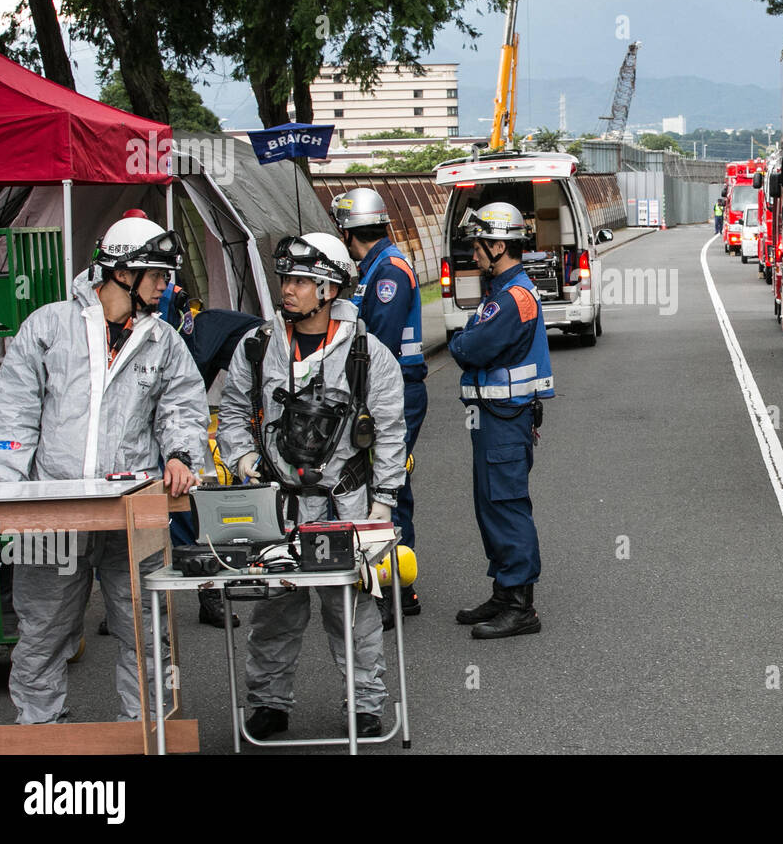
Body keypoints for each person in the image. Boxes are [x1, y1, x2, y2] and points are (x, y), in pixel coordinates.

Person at [0, 216, 207, 724]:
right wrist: (14, 495)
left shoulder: (164, 340)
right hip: (54, 513)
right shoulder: (49, 326)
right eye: (155, 273)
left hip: (134, 513)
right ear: (120, 271)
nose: (164, 284)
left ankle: (149, 731)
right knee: (44, 630)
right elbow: (15, 412)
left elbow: (184, 408)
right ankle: (39, 733)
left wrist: (180, 455)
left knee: (148, 629)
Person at [216, 232, 406, 740]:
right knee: (275, 609)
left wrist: (384, 503)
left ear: (328, 290)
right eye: (285, 279)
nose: (288, 289)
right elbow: (233, 411)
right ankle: (269, 704)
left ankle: (365, 706)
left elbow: (389, 431)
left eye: (300, 280)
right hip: (276, 503)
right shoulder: (257, 348)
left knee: (351, 609)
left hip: (344, 502)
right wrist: (244, 460)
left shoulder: (367, 355)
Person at [448, 202, 553, 639]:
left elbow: (468, 350)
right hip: (497, 418)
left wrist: (461, 341)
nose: (474, 254)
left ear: (497, 245)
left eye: (478, 245)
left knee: (506, 505)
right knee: (491, 502)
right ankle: (503, 589)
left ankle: (520, 606)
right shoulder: (505, 292)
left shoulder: (512, 299)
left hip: (503, 419)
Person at [329, 189, 427, 627]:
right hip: (387, 391)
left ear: (350, 231)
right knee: (380, 485)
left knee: (388, 486)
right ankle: (391, 582)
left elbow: (378, 349)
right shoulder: (376, 269)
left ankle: (396, 588)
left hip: (394, 392)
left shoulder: (388, 272)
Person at [158, 282, 264, 629]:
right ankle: (135, 601)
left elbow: (189, 377)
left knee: (193, 503)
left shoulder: (197, 330)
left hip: (177, 423)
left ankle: (209, 592)